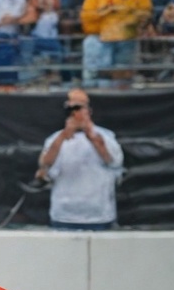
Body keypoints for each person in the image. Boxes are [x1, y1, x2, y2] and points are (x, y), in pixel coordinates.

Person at [38, 88, 123, 230]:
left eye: (79, 108)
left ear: (89, 110)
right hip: (64, 215)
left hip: (99, 214)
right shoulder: (54, 139)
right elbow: (45, 164)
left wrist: (91, 136)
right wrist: (63, 136)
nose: (75, 112)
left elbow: (113, 162)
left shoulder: (106, 136)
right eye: (71, 108)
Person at [79, 0, 153, 88]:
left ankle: (122, 99)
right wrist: (104, 13)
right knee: (98, 66)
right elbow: (86, 14)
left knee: (123, 71)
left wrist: (128, 17)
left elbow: (145, 10)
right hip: (100, 36)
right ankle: (95, 94)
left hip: (126, 35)